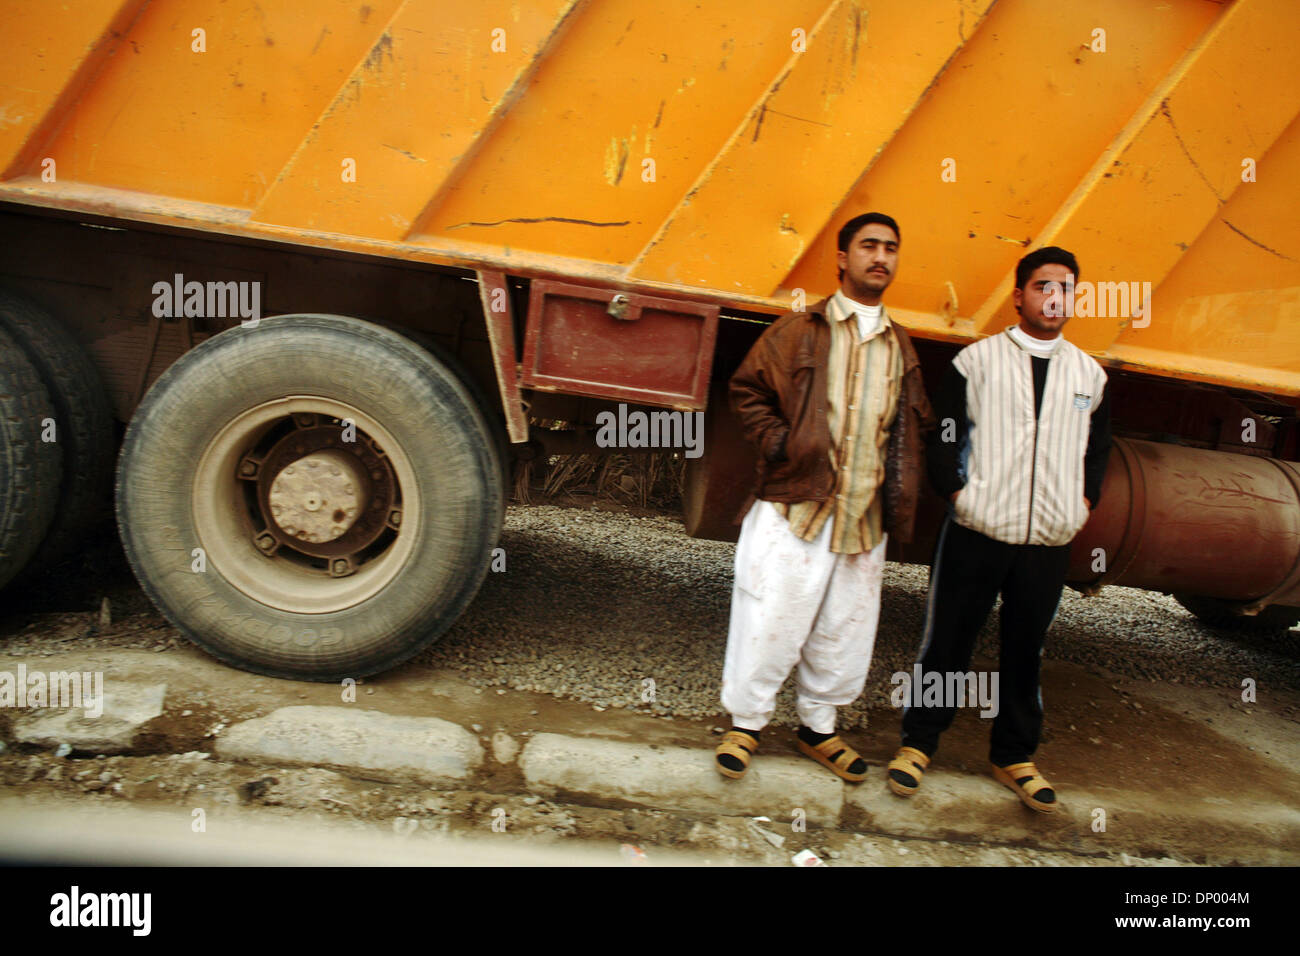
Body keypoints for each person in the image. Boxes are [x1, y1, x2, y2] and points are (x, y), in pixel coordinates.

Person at [887, 245, 1111, 812]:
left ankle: (1014, 755)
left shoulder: (1090, 375)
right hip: (978, 530)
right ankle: (918, 744)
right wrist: (957, 493)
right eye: (1042, 286)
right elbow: (943, 434)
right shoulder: (977, 361)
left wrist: (1081, 504)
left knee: (1025, 650)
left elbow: (1098, 451)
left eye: (1065, 287)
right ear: (1020, 296)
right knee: (947, 642)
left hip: (1046, 544)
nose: (1054, 296)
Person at [715, 212, 933, 782]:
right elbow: (747, 389)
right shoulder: (801, 329)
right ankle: (746, 723)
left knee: (845, 628)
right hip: (797, 505)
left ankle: (819, 727)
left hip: (863, 518)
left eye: (890, 247)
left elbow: (914, 427)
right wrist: (782, 442)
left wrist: (898, 495)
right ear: (843, 258)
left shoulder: (901, 345)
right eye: (868, 246)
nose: (880, 257)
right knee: (771, 616)